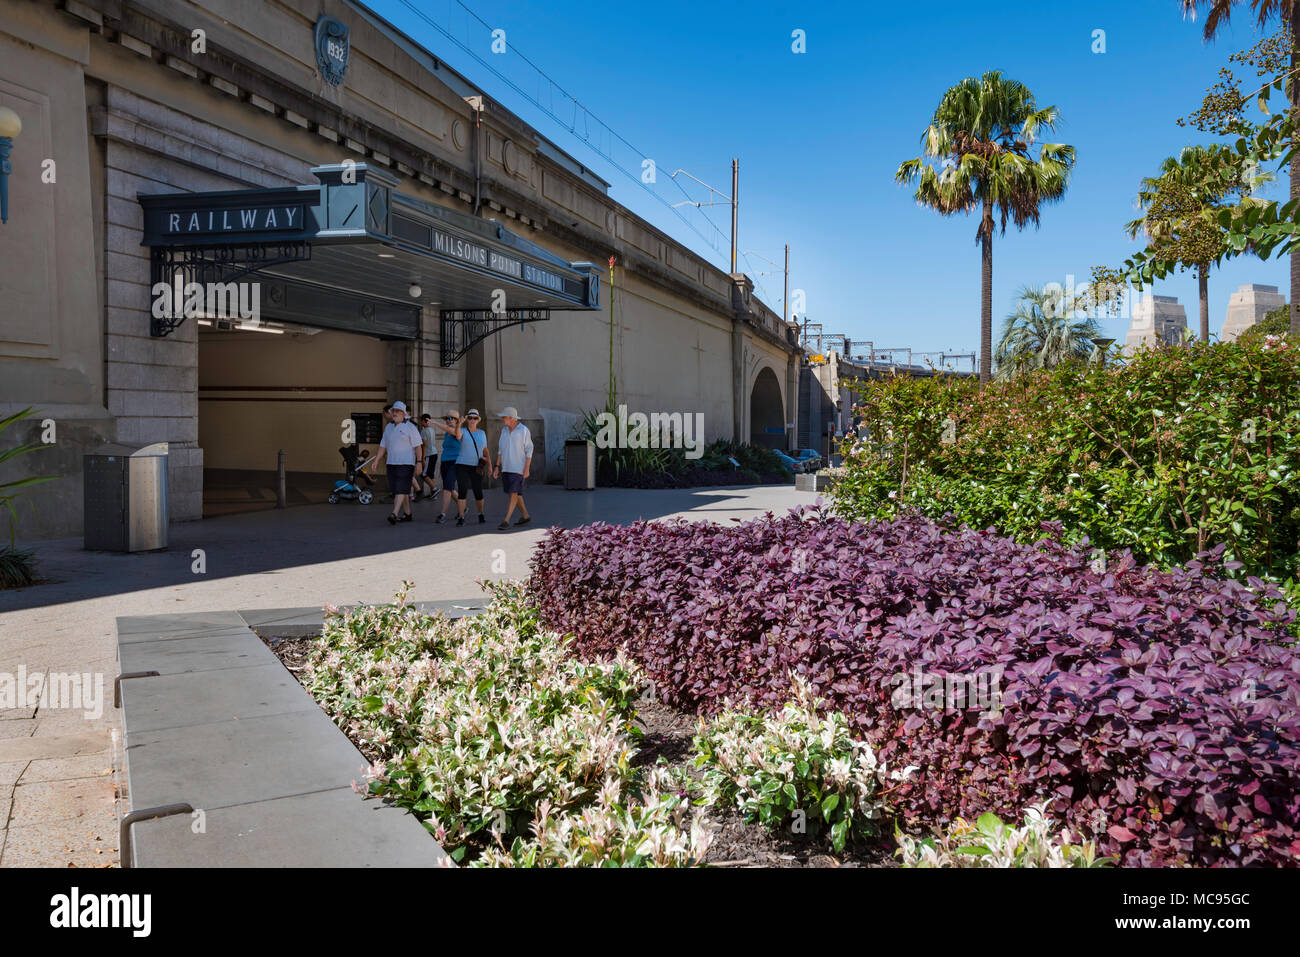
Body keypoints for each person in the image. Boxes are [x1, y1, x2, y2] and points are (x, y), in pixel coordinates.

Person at [371, 400, 424, 525]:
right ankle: (408, 514)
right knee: (400, 490)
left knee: (401, 489)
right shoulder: (389, 427)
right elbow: (383, 445)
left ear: (404, 413)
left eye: (398, 411)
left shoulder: (410, 427)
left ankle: (394, 513)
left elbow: (418, 446)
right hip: (391, 463)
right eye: (393, 411)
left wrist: (419, 462)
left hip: (406, 463)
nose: (395, 413)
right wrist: (377, 460)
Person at [492, 406, 532, 530]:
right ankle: (525, 516)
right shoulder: (504, 431)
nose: (502, 418)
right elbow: (500, 450)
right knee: (515, 494)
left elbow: (529, 450)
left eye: (504, 417)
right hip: (506, 468)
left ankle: (506, 520)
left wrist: (527, 468)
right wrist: (497, 467)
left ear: (512, 418)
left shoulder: (524, 430)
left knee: (513, 493)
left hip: (518, 469)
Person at [451, 409, 489, 526]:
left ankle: (480, 513)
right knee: (462, 490)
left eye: (475, 418)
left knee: (478, 491)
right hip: (462, 464)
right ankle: (461, 517)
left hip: (476, 466)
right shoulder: (462, 430)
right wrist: (459, 424)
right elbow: (457, 436)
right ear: (467, 419)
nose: (472, 420)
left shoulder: (482, 433)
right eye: (470, 418)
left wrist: (491, 465)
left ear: (478, 420)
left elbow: (485, 450)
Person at [427, 409, 463, 524]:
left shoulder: (458, 432)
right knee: (450, 488)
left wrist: (435, 423)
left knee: (447, 489)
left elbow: (451, 431)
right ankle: (463, 507)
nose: (448, 421)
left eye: (451, 418)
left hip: (455, 463)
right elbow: (446, 449)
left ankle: (443, 513)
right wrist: (441, 466)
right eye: (447, 418)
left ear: (457, 421)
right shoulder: (447, 434)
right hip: (445, 463)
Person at [415, 413, 438, 500]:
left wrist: (423, 458)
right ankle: (433, 494)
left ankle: (435, 489)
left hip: (428, 454)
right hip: (434, 453)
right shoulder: (432, 429)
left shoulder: (424, 431)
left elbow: (424, 445)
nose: (421, 423)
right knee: (431, 474)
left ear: (424, 421)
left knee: (423, 473)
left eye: (421, 421)